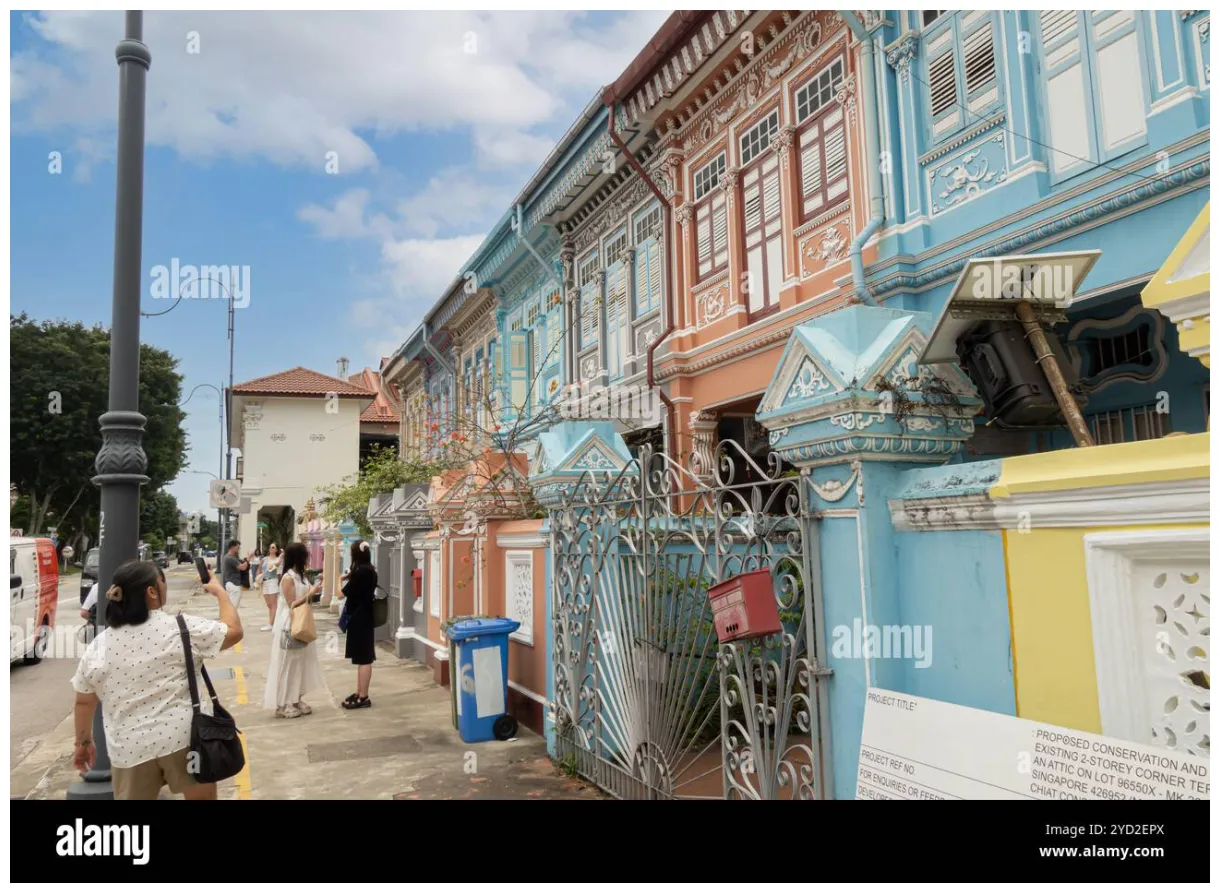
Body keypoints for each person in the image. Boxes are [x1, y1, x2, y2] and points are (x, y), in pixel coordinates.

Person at [70, 559, 242, 800]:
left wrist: (83, 743)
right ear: (151, 592)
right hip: (186, 740)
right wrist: (220, 592)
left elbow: (84, 701)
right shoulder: (181, 628)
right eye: (162, 581)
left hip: (129, 747)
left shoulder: (100, 645)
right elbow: (233, 631)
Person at [264, 542, 325, 719]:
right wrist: (312, 592)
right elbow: (292, 603)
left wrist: (315, 586)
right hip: (289, 622)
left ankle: (296, 698)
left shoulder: (301, 576)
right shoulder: (288, 578)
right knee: (287, 663)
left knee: (300, 662)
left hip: (302, 620)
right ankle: (282, 704)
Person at [339, 540, 378, 709]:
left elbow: (340, 595)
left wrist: (339, 579)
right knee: (363, 657)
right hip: (366, 616)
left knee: (364, 658)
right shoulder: (370, 571)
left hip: (358, 618)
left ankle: (363, 696)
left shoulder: (360, 572)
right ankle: (360, 692)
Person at [220, 540, 253, 610]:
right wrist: (249, 558)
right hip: (234, 584)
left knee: (232, 605)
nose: (239, 549)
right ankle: (230, 620)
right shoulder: (230, 558)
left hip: (230, 584)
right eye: (238, 547)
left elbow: (243, 563)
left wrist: (247, 559)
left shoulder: (231, 557)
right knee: (233, 607)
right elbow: (243, 567)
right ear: (232, 547)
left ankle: (229, 619)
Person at [259, 544, 281, 632]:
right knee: (269, 605)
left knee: (273, 604)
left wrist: (282, 555)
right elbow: (259, 569)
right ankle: (273, 622)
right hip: (264, 582)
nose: (271, 549)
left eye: (273, 547)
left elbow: (276, 565)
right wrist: (257, 579)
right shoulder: (264, 559)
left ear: (276, 550)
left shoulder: (277, 559)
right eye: (270, 547)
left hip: (272, 581)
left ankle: (271, 624)